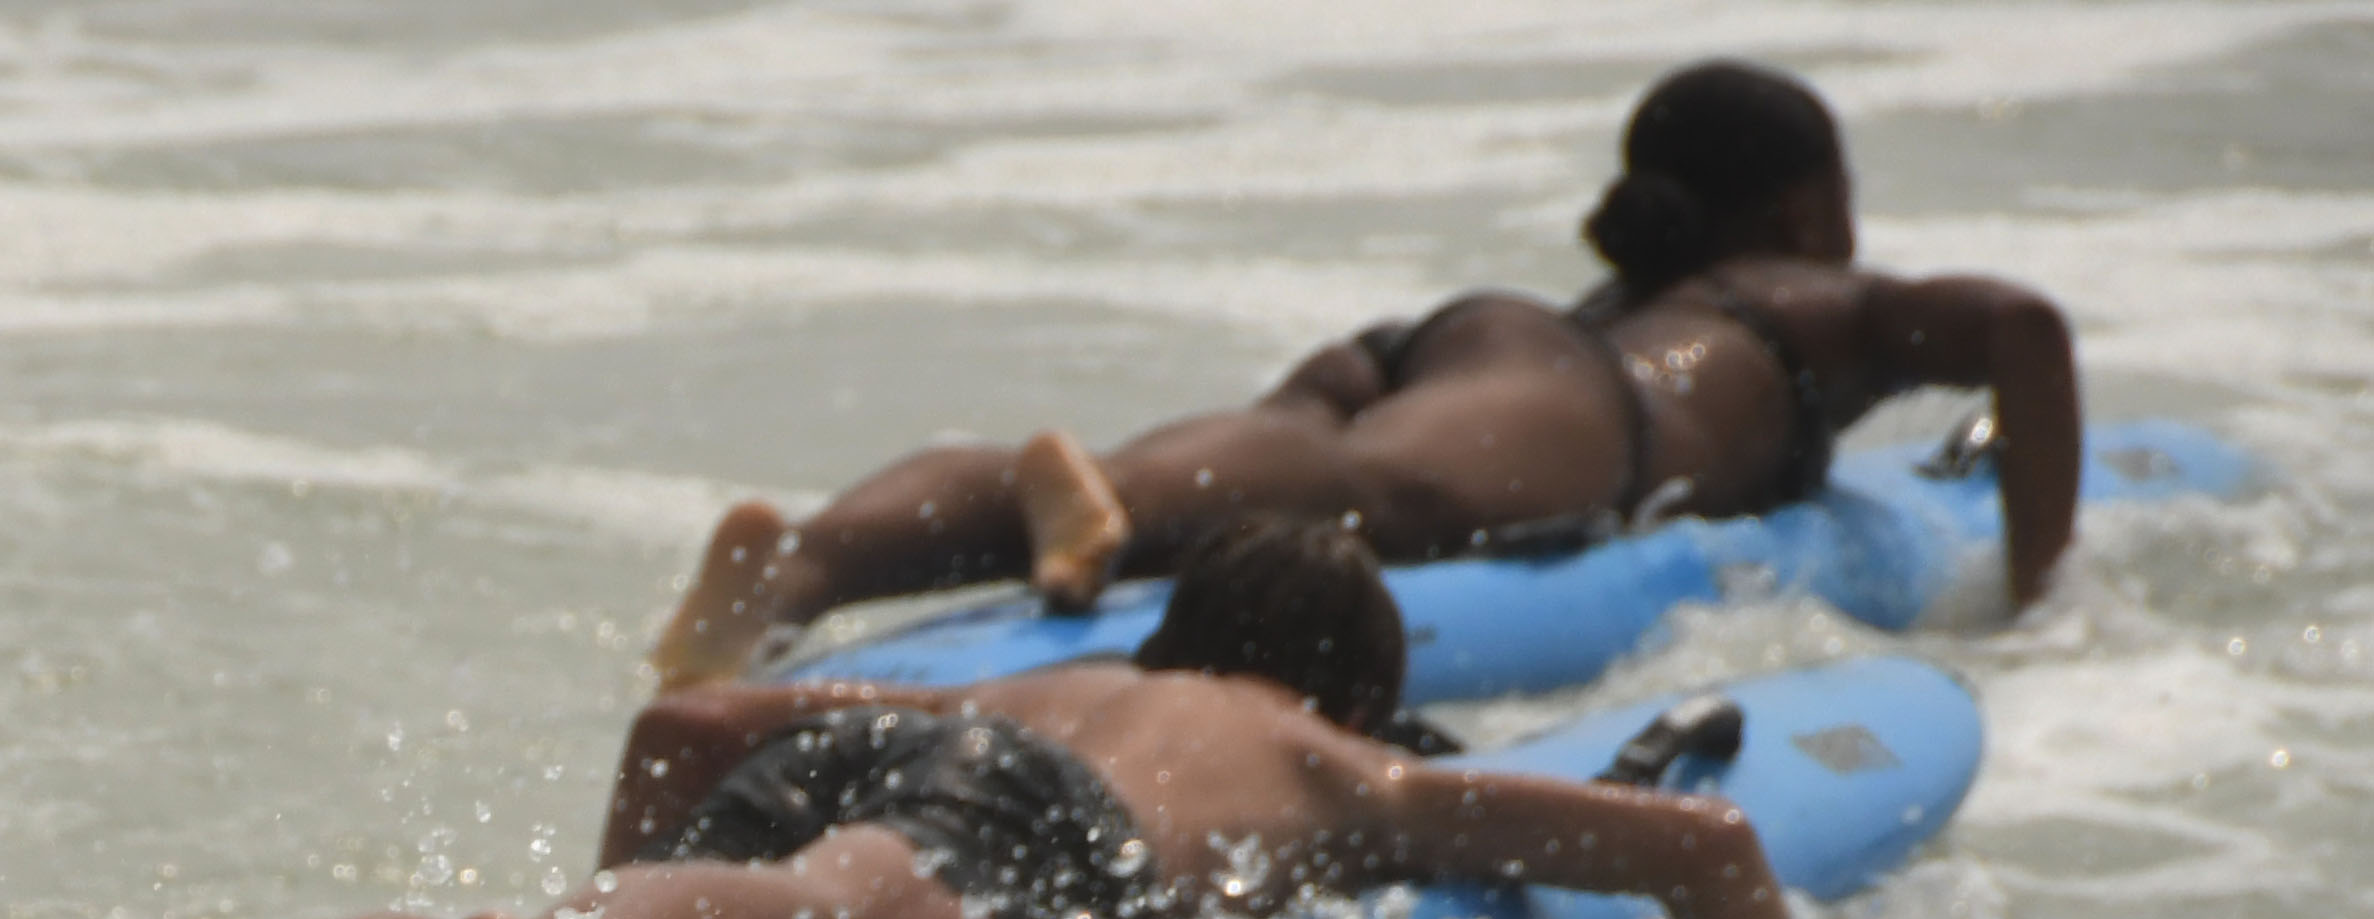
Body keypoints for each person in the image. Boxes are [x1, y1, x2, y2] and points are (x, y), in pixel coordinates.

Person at [21, 519, 1807, 919]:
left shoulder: (1073, 679)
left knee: (759, 898)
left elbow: (700, 723)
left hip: (904, 745)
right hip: (1025, 835)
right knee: (826, 914)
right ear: (1347, 676)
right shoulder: (1329, 756)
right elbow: (1703, 841)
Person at [647, 61, 2084, 685]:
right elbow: (2023, 325)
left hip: (1458, 347)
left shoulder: (1639, 288)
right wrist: (2038, 584)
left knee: (1270, 463)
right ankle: (1112, 492)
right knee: (1351, 489)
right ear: (1796, 205)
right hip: (1576, 408)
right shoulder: (1808, 292)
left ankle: (806, 566)